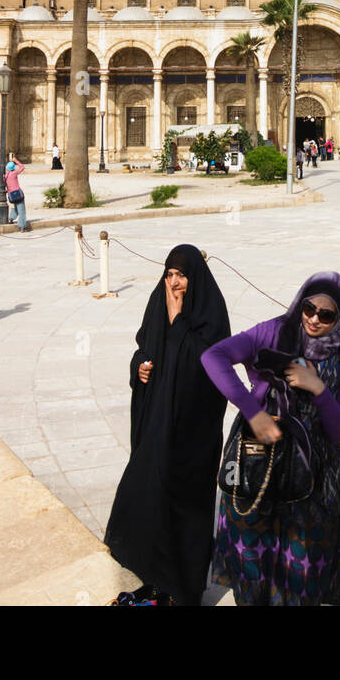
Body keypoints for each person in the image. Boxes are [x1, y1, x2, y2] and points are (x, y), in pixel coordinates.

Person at [201, 272, 340, 606]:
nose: (314, 318)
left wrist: (317, 389)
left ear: (339, 317)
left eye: (326, 315)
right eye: (309, 308)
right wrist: (251, 410)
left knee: (300, 569)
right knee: (252, 560)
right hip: (259, 460)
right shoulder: (272, 331)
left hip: (313, 476)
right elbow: (213, 357)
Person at [105, 245, 230, 607]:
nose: (174, 282)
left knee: (184, 506)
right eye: (169, 274)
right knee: (148, 495)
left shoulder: (210, 313)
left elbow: (206, 368)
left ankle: (184, 589)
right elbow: (145, 344)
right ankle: (157, 580)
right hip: (158, 422)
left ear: (195, 277)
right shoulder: (159, 303)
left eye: (182, 275)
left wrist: (179, 322)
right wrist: (140, 364)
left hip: (192, 432)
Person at [4, 157, 30, 230]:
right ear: (13, 168)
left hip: (11, 195)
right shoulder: (14, 173)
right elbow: (22, 167)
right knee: (22, 210)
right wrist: (16, 161)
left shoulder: (5, 176)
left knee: (16, 207)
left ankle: (11, 219)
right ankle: (22, 226)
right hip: (18, 193)